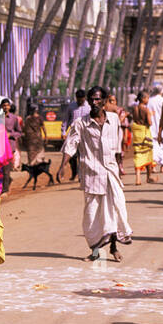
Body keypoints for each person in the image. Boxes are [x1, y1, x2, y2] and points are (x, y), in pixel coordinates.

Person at [61, 86, 132, 260]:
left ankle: (114, 247)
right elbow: (71, 144)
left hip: (110, 172)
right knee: (92, 215)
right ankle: (95, 252)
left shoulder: (114, 119)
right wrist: (62, 166)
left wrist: (119, 165)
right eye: (92, 99)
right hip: (92, 174)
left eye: (98, 99)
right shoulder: (81, 123)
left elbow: (116, 146)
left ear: (105, 100)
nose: (94, 102)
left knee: (116, 208)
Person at [129, 92, 155, 184]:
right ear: (143, 99)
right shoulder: (146, 110)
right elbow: (150, 122)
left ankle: (138, 178)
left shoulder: (134, 108)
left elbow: (134, 119)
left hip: (137, 134)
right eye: (147, 98)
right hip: (145, 132)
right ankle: (149, 177)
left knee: (138, 154)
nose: (148, 100)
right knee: (148, 154)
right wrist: (151, 115)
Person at [147, 84, 163, 179]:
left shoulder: (149, 101)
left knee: (154, 146)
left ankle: (153, 166)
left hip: (152, 125)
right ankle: (162, 166)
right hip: (161, 125)